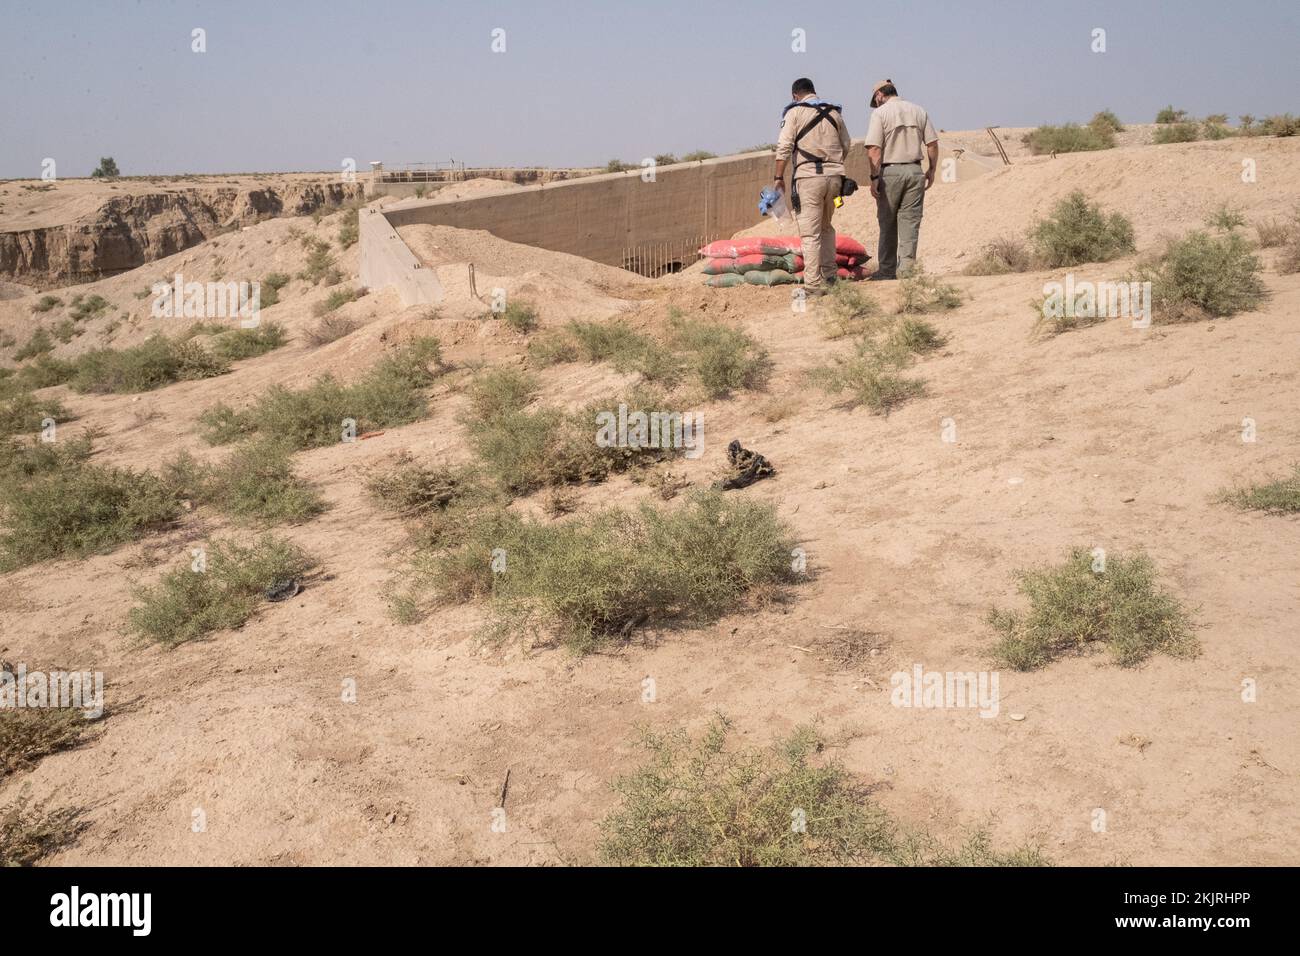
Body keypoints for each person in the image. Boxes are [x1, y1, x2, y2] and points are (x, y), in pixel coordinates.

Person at [773, 77, 852, 296]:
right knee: (827, 227)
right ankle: (831, 277)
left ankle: (813, 285)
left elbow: (784, 146)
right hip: (835, 178)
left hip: (809, 179)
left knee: (810, 234)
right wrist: (833, 164)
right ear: (814, 91)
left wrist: (778, 177)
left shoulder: (795, 112)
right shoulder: (834, 112)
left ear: (794, 95)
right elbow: (846, 144)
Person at [864, 79, 939, 280]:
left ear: (879, 94)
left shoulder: (880, 114)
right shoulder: (918, 110)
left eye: (876, 98)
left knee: (887, 224)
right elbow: (932, 143)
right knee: (910, 223)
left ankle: (887, 271)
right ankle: (907, 271)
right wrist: (931, 170)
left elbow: (873, 149)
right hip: (915, 171)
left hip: (891, 172)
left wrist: (874, 177)